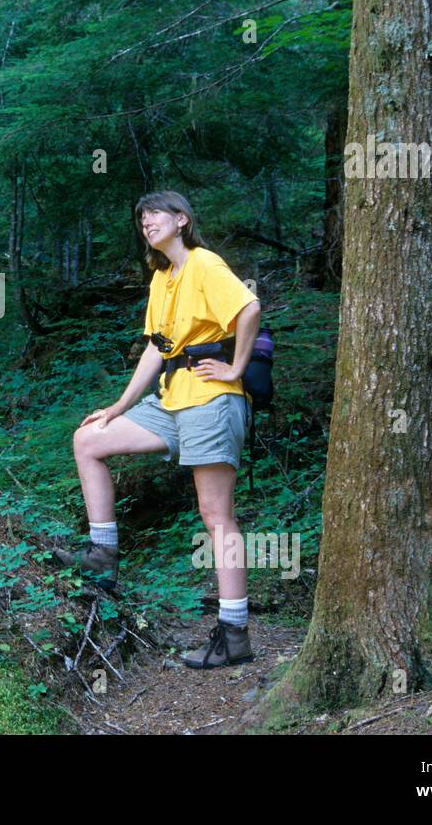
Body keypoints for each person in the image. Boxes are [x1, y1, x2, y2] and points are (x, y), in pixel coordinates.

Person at [52, 190, 261, 669]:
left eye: (155, 214)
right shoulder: (162, 277)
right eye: (141, 216)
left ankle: (234, 634)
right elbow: (156, 349)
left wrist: (236, 368)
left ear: (181, 220)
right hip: (170, 400)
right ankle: (102, 556)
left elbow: (248, 309)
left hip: (211, 400)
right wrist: (119, 405)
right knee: (88, 439)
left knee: (216, 515)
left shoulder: (205, 264)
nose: (145, 221)